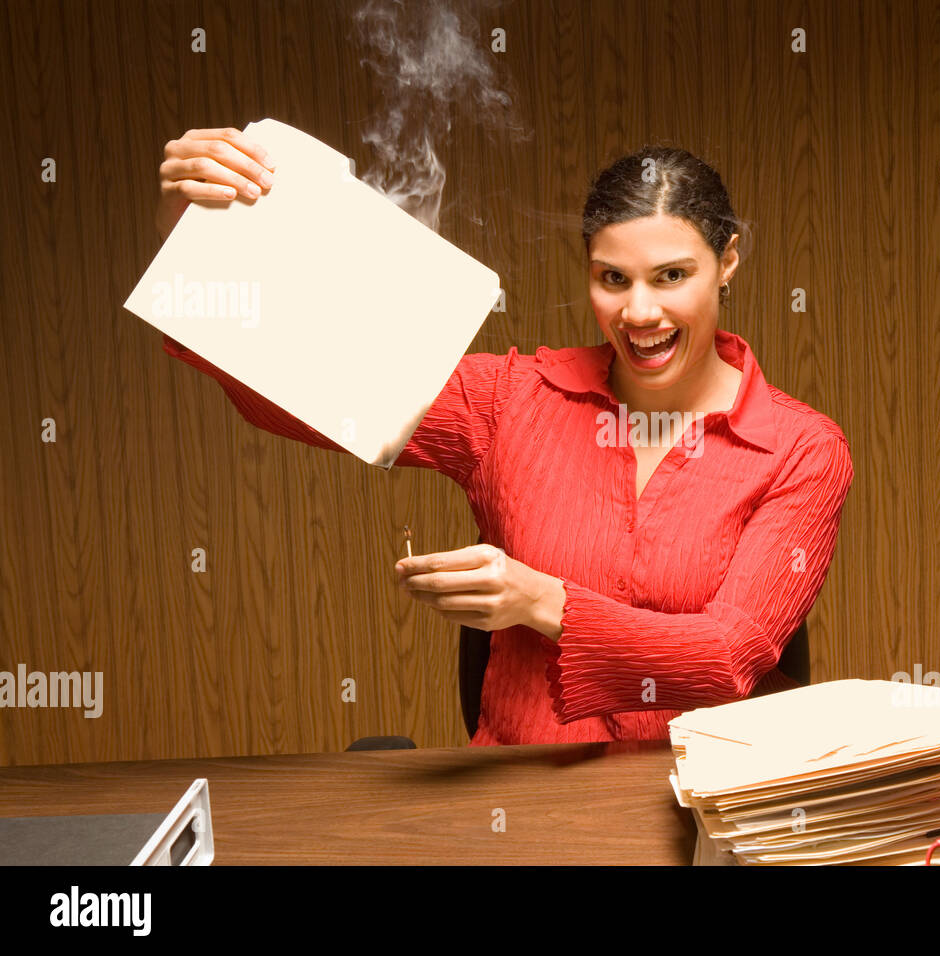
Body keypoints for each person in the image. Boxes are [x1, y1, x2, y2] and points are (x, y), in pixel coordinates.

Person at [154, 127, 854, 745]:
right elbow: (290, 388)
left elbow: (730, 657)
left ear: (727, 261)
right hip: (518, 811)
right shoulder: (507, 400)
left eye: (672, 276)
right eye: (613, 278)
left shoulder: (801, 450)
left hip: (704, 811)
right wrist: (194, 225)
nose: (641, 312)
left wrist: (539, 602)